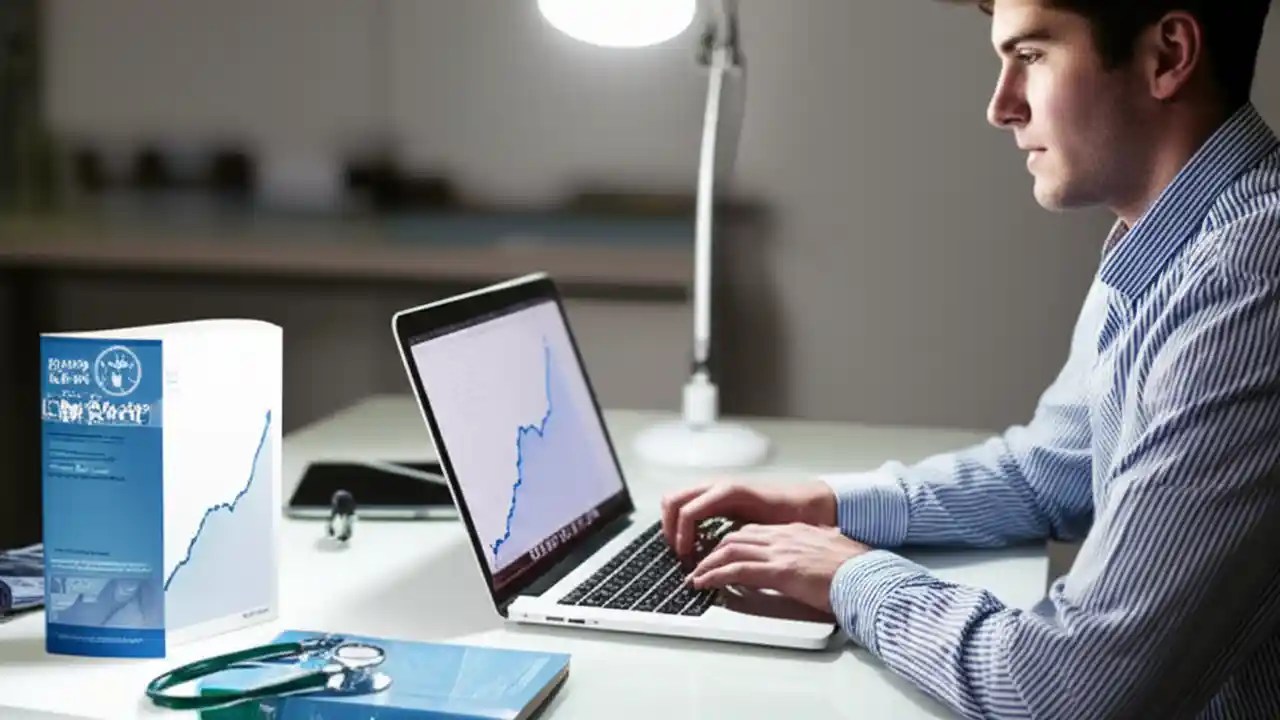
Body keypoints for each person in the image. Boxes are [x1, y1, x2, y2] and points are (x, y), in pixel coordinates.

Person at [660, 0, 1280, 717]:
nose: (1001, 106)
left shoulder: (1248, 284)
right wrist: (830, 504)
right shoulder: (1167, 244)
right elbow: (1048, 473)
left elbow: (1063, 690)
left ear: (1168, 55)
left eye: (1032, 56)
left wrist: (853, 577)